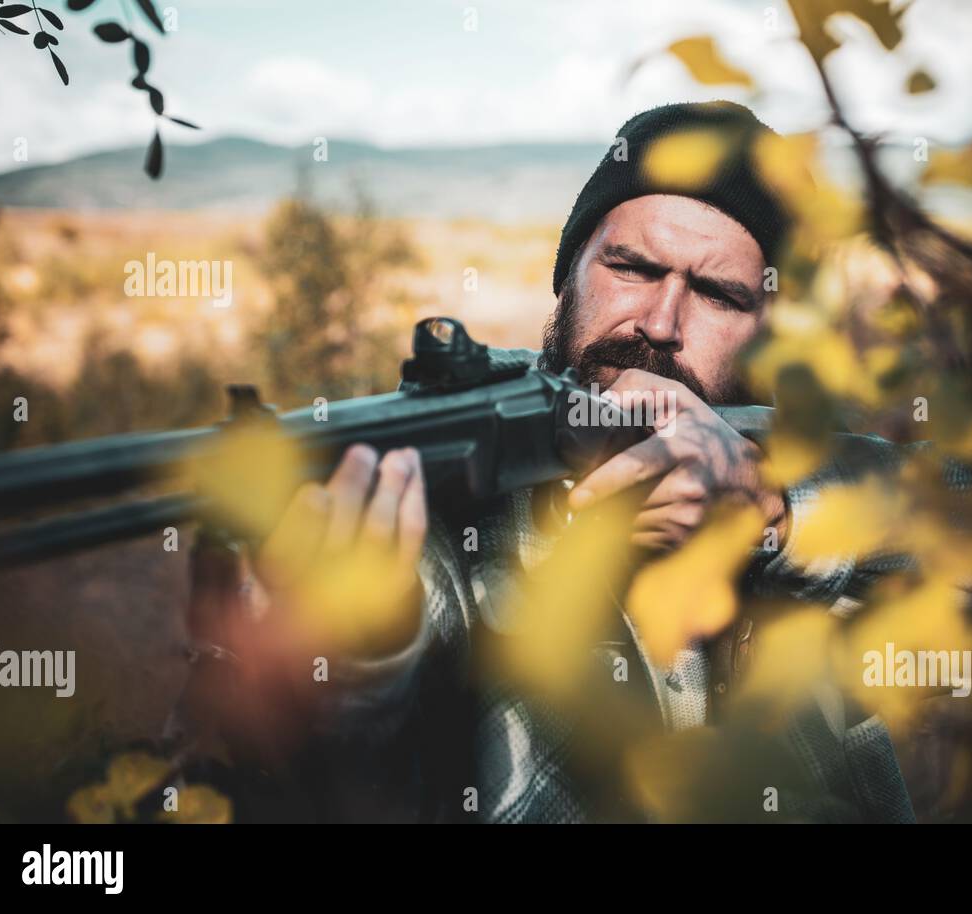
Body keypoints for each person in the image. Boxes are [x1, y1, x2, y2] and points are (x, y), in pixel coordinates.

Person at [175, 101, 919, 823]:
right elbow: (361, 770)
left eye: (718, 295)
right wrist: (362, 662)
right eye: (630, 267)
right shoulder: (463, 509)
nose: (660, 324)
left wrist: (772, 512)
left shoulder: (794, 470)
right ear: (567, 279)